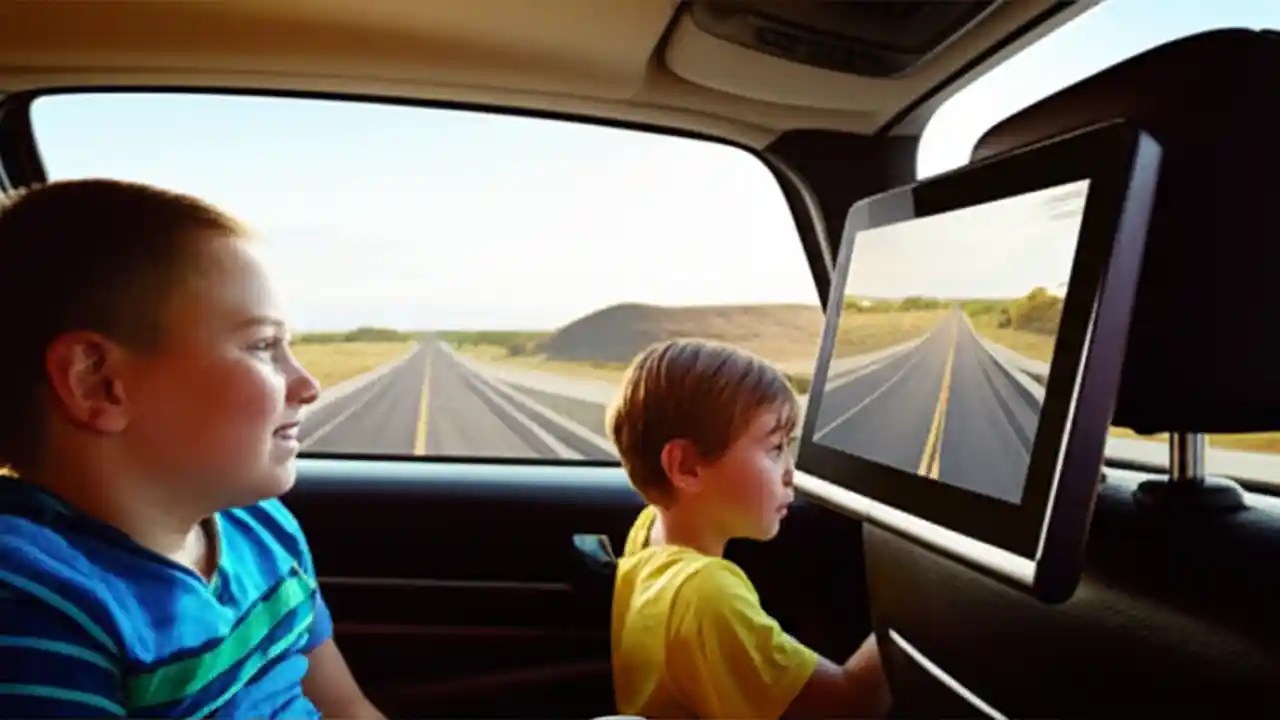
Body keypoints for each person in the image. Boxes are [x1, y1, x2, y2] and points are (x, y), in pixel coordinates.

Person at [0, 180, 382, 718]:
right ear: (99, 383)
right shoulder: (38, 611)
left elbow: (346, 708)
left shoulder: (264, 531)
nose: (308, 384)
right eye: (263, 346)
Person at [607, 339, 891, 719]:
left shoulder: (649, 534)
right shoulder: (705, 596)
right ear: (687, 467)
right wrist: (912, 614)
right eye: (775, 449)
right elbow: (851, 705)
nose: (791, 473)